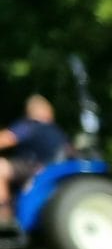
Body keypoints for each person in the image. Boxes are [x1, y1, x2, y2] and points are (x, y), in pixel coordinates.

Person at [0, 96, 70, 226]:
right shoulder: (58, 132)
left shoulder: (30, 125)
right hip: (54, 169)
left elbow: (6, 139)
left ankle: (3, 215)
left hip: (36, 168)